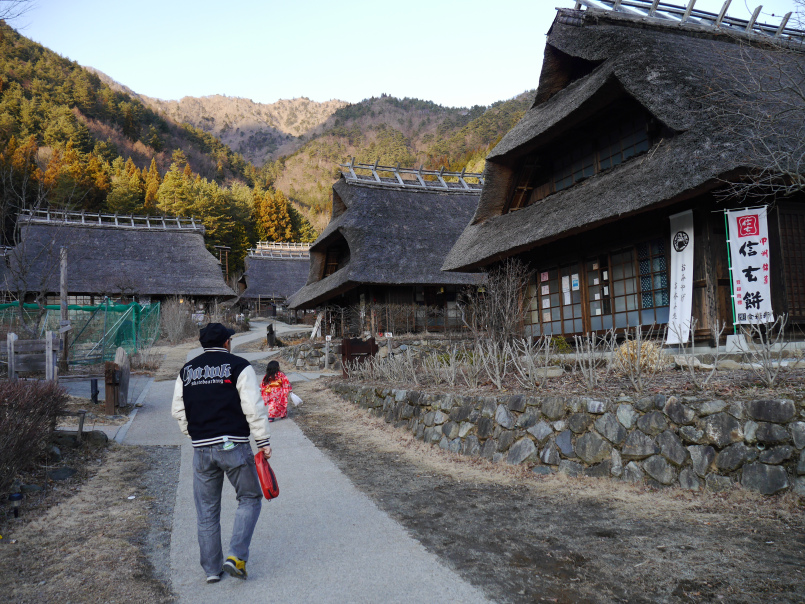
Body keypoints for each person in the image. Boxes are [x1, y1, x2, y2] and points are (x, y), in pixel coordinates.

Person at [171, 323, 272, 584]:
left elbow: (178, 410)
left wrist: (194, 434)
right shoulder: (240, 366)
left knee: (206, 510)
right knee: (249, 497)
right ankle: (236, 556)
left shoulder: (187, 371)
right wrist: (262, 441)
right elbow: (253, 406)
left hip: (202, 450)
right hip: (234, 445)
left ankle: (212, 570)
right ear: (227, 342)